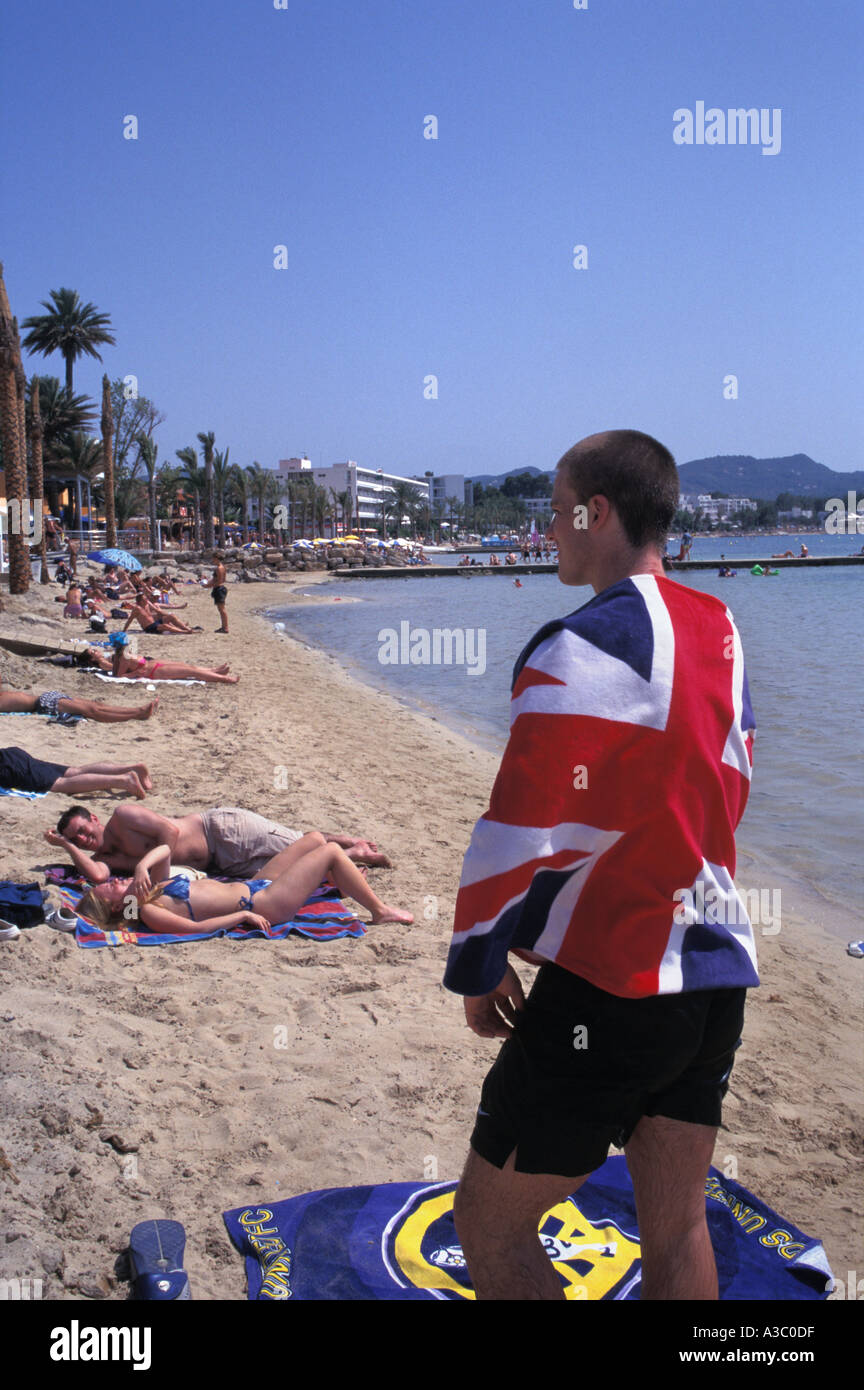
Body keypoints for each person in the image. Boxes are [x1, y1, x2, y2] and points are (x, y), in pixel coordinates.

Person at [445, 429, 758, 1301]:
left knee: (490, 1224)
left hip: (616, 980)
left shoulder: (577, 646)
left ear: (598, 513)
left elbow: (517, 824)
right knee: (678, 1226)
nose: (548, 529)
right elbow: (733, 777)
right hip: (714, 969)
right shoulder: (722, 628)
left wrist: (479, 959)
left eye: (555, 511)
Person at [75, 837, 412, 934]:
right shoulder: (150, 910)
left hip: (253, 885)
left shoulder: (153, 887)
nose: (116, 881)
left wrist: (141, 866)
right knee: (331, 852)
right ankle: (379, 911)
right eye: (112, 887)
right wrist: (240, 919)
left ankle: (333, 879)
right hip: (264, 904)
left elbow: (165, 848)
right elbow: (195, 927)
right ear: (117, 907)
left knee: (313, 839)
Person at [46, 802, 393, 886]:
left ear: (93, 818)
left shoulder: (123, 817)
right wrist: (66, 847)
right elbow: (95, 876)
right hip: (220, 865)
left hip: (222, 830)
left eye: (81, 830)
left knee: (294, 840)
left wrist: (149, 865)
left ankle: (345, 840)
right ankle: (352, 855)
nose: (83, 838)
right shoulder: (110, 857)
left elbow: (171, 833)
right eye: (77, 838)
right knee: (284, 868)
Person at [0, 746, 151, 799]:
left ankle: (123, 781)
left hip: (6, 767)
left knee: (61, 784)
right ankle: (132, 768)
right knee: (75, 771)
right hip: (11, 754)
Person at [0, 677, 158, 723]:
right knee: (92, 711)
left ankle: (137, 710)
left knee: (97, 705)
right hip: (44, 704)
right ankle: (137, 714)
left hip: (47, 697)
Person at [78, 641, 239, 685]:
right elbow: (119, 676)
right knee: (192, 673)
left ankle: (215, 671)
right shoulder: (104, 664)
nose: (96, 651)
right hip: (151, 671)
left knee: (188, 667)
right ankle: (226, 679)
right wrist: (134, 674)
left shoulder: (108, 658)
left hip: (151, 664)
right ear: (92, 659)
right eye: (93, 652)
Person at [211, 554, 229, 634]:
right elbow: (223, 579)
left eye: (213, 559)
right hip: (221, 588)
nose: (212, 560)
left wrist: (209, 585)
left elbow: (218, 581)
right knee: (221, 609)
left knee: (222, 609)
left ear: (216, 559)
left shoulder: (218, 568)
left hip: (219, 589)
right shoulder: (223, 567)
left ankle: (225, 627)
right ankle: (224, 627)